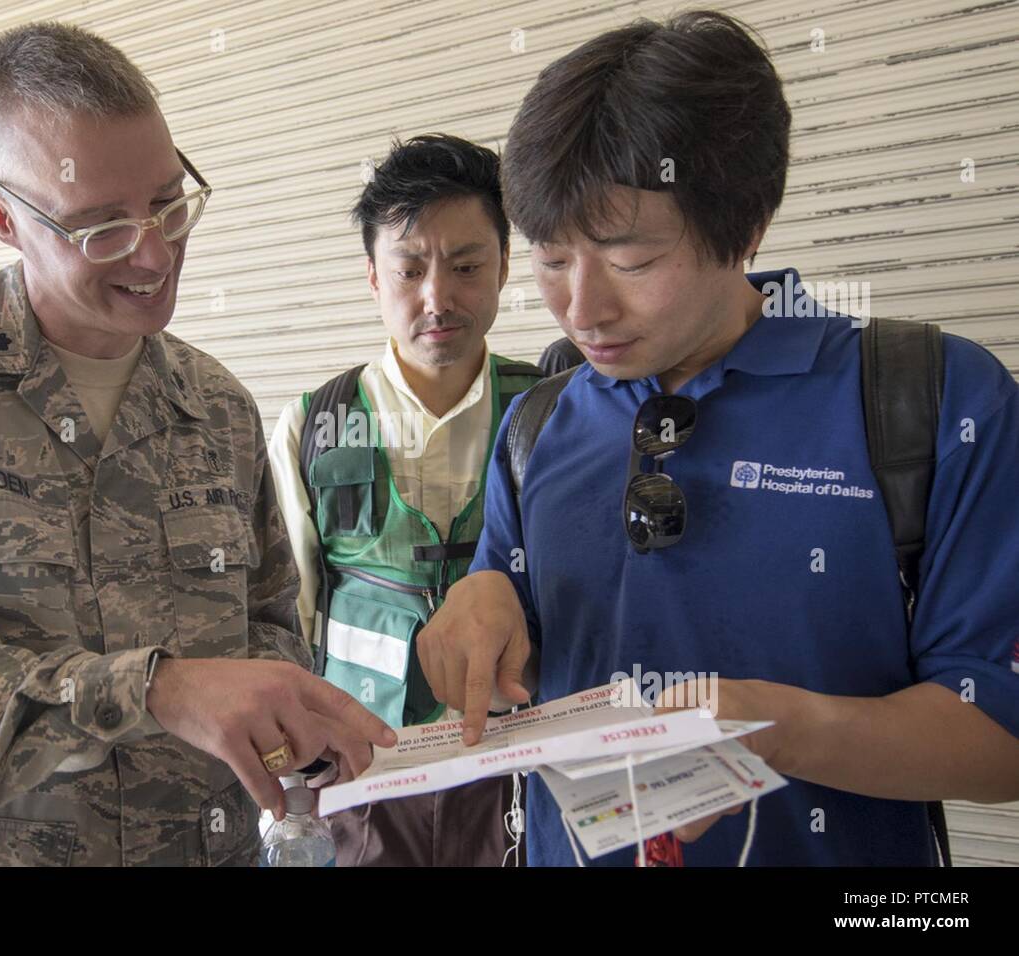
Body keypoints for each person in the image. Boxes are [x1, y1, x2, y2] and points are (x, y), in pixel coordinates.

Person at [0, 20, 392, 867]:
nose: (156, 252)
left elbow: (267, 630)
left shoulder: (217, 406)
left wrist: (299, 735)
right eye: (101, 227)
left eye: (170, 202)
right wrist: (151, 690)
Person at [417, 10, 1019, 866]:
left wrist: (779, 729)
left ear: (744, 228)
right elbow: (513, 618)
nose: (583, 310)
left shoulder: (931, 398)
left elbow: (1001, 734)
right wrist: (484, 600)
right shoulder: (537, 422)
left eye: (629, 261)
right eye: (552, 260)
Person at [268, 135, 542, 865]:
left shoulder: (554, 413)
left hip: (516, 763)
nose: (437, 298)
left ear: (505, 267)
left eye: (466, 266)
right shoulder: (313, 423)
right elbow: (282, 613)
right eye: (410, 269)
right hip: (363, 765)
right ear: (372, 277)